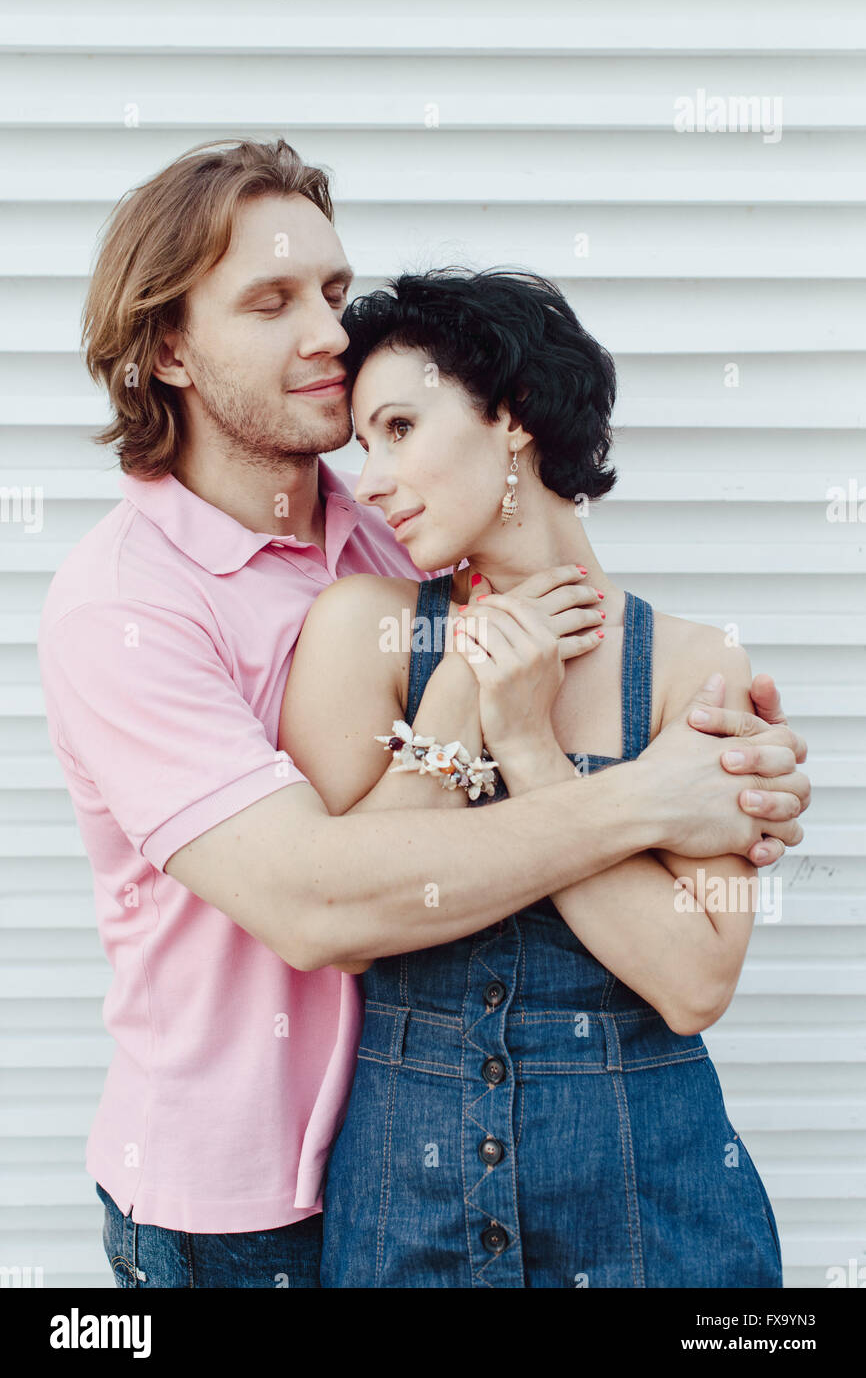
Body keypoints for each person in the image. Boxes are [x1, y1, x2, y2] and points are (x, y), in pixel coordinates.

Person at [37, 139, 808, 1289]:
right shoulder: (124, 603)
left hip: (420, 1164)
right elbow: (320, 900)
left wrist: (748, 769)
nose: (328, 335)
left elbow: (557, 592)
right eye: (272, 301)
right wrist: (645, 798)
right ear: (169, 348)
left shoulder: (393, 531)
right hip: (231, 1199)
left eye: (335, 294)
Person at [279, 268, 789, 1287]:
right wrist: (464, 687)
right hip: (405, 1210)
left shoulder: (693, 665)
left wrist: (525, 741)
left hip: (652, 1211)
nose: (369, 480)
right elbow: (354, 903)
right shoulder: (361, 634)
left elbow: (691, 984)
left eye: (398, 427)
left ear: (509, 416)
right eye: (361, 445)